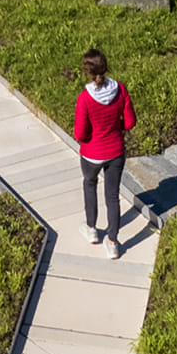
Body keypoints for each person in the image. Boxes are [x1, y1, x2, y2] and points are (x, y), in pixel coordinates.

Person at [72, 49, 134, 257]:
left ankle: (91, 230)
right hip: (116, 151)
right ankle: (113, 242)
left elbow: (80, 133)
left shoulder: (84, 99)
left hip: (92, 153)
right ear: (105, 67)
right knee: (113, 196)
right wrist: (117, 128)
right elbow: (131, 121)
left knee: (90, 184)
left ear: (86, 72)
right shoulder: (121, 90)